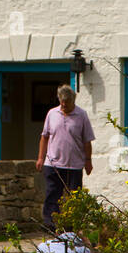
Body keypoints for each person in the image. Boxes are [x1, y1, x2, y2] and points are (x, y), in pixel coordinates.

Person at [35, 84, 95, 229]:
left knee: (74, 198)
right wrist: (41, 158)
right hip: (53, 163)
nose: (63, 104)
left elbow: (87, 141)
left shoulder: (82, 115)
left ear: (73, 101)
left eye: (66, 102)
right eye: (61, 101)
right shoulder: (52, 114)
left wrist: (88, 161)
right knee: (52, 195)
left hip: (74, 165)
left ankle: (72, 228)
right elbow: (44, 137)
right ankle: (51, 226)